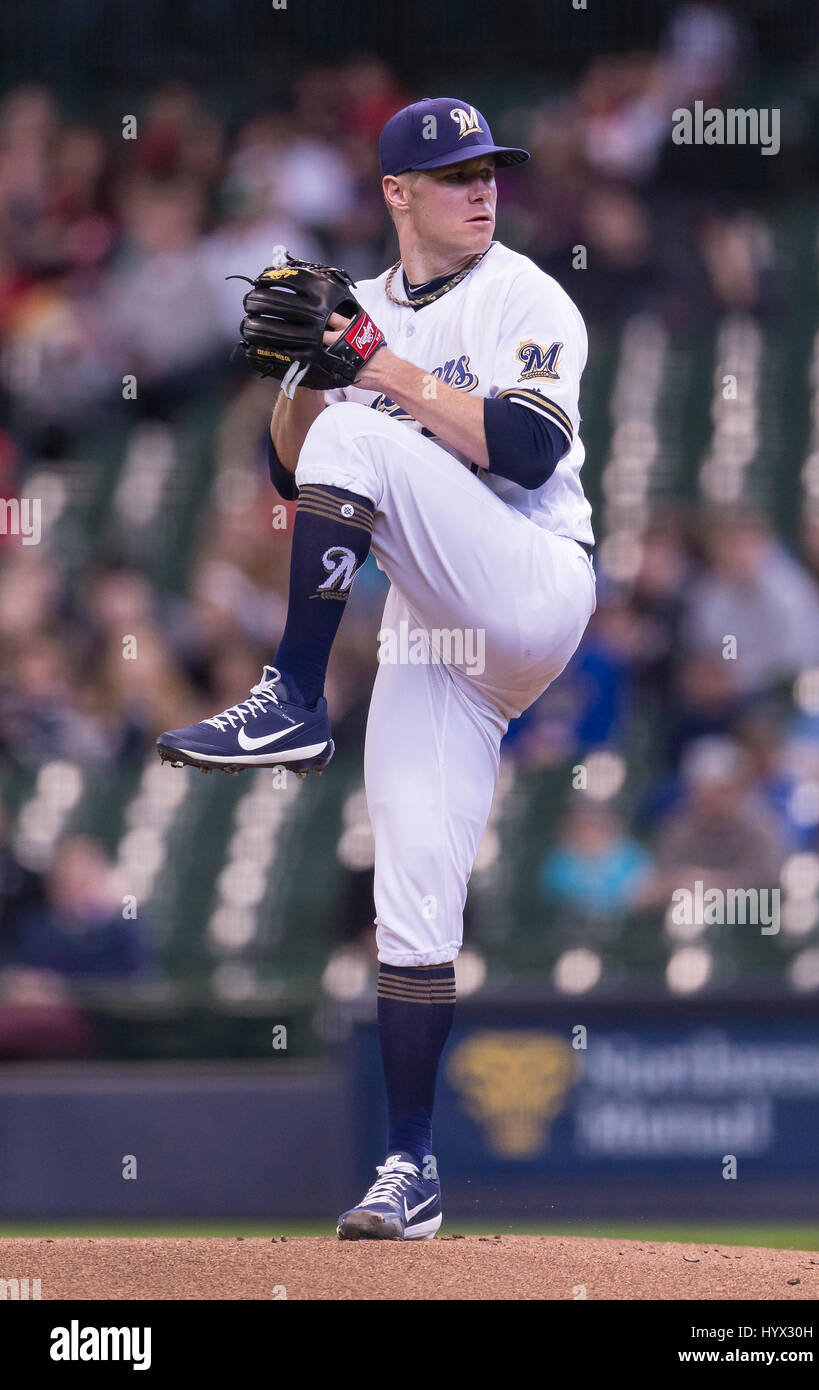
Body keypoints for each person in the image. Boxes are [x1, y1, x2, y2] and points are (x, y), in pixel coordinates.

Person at [157, 98, 596, 1239]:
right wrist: (302, 378)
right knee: (410, 895)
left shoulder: (525, 294)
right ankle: (409, 1168)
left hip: (530, 579)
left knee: (368, 431)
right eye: (452, 175)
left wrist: (373, 367)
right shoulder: (359, 311)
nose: (480, 188)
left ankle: (292, 701)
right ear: (395, 193)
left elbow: (530, 446)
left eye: (488, 169)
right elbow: (289, 468)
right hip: (436, 629)